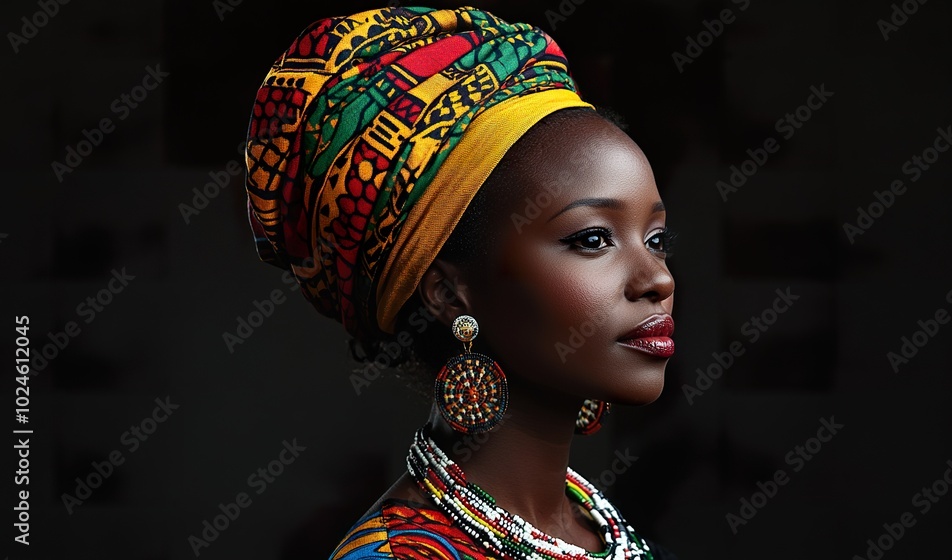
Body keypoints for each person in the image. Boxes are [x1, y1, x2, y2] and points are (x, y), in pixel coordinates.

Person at [244, 6, 678, 559]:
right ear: (448, 293)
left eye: (656, 239)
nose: (657, 278)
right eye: (593, 239)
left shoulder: (610, 538)